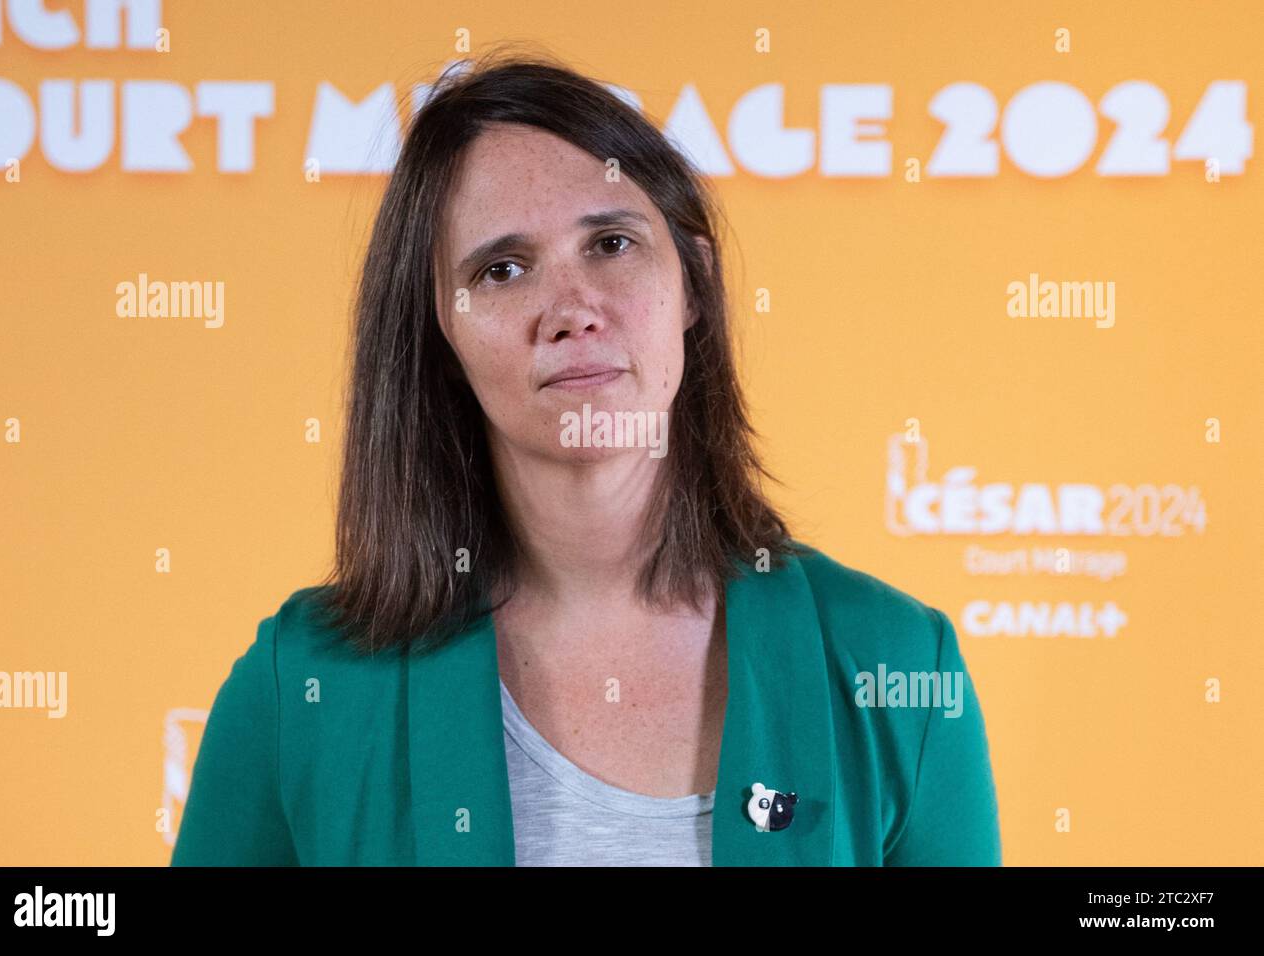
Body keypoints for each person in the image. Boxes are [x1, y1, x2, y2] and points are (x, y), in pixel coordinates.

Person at [170, 48, 1001, 867]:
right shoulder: (302, 686)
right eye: (502, 269)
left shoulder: (897, 668)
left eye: (610, 244)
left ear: (694, 284)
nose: (571, 310)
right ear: (440, 334)